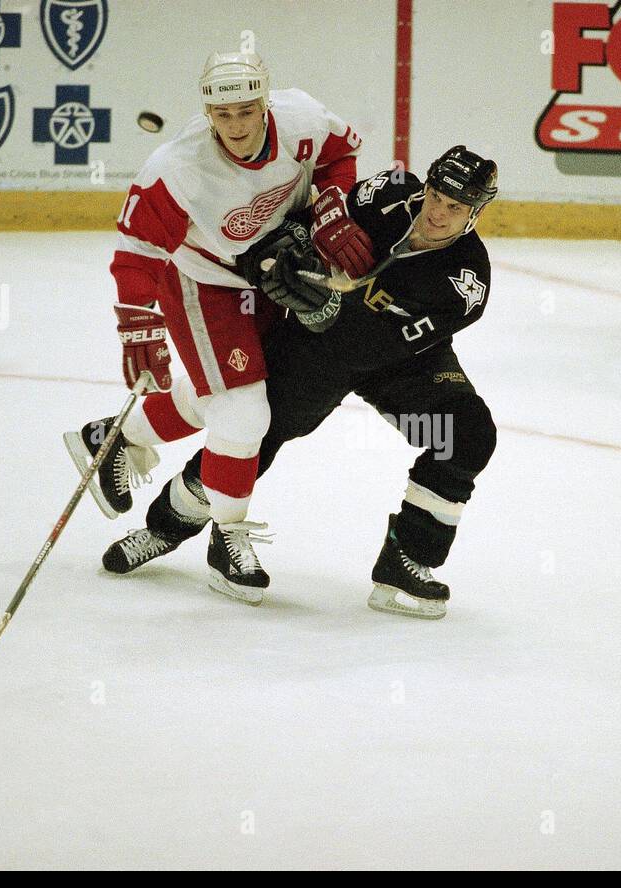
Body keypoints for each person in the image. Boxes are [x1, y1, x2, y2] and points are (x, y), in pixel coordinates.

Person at [100, 147, 500, 618]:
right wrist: (281, 260)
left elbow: (376, 345)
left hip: (402, 364)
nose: (437, 213)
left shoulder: (465, 281)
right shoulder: (386, 193)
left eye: (455, 208)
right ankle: (166, 527)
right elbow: (310, 224)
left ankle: (407, 558)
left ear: (474, 213)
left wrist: (321, 307)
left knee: (466, 435)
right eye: (435, 196)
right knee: (252, 435)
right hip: (318, 347)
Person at [63, 50, 372, 603]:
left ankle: (116, 437)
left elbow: (341, 155)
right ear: (208, 113)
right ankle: (228, 541)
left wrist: (330, 204)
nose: (236, 126)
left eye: (247, 111)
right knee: (244, 410)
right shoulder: (178, 169)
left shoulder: (301, 118)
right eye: (223, 115)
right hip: (203, 283)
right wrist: (139, 326)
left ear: (266, 103)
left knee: (228, 392)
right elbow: (136, 252)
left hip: (273, 274)